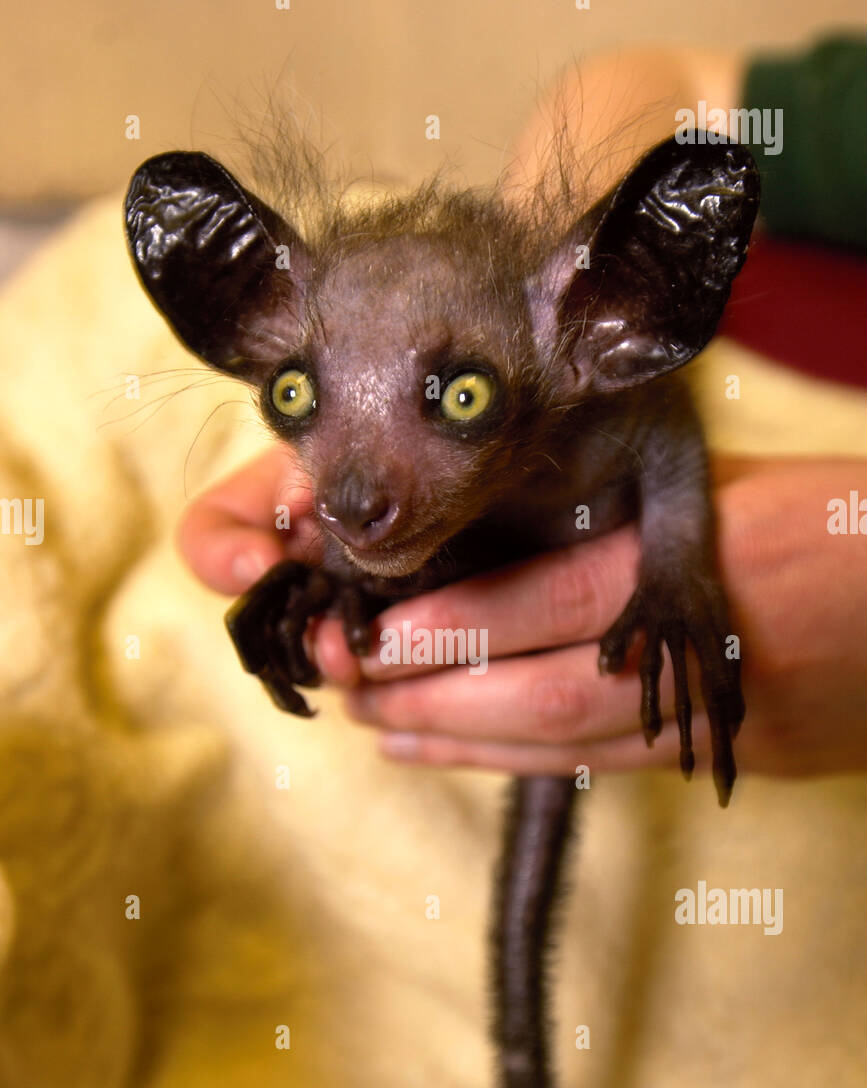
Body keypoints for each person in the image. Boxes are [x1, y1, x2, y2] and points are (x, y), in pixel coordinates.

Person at [177, 39, 867, 782]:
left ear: (606, 330)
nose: (345, 497)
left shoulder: (580, 361)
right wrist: (484, 276)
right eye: (297, 396)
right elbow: (662, 81)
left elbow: (662, 434)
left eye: (462, 397)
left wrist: (679, 568)